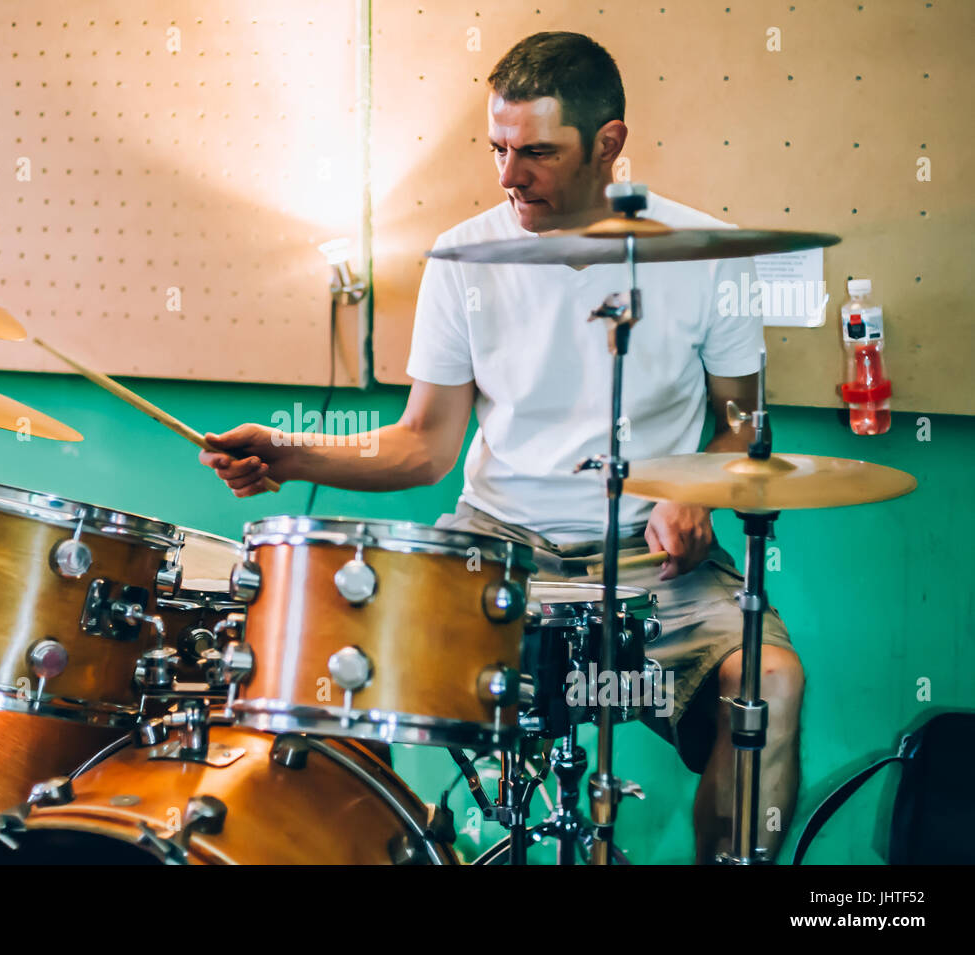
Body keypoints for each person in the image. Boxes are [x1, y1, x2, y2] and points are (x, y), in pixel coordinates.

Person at [198, 31, 803, 864]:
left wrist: (695, 489)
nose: (510, 176)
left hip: (650, 564)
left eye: (538, 153)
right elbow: (423, 446)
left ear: (610, 144)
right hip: (499, 551)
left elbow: (745, 424)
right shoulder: (464, 257)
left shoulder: (711, 256)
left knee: (769, 685)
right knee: (338, 662)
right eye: (499, 149)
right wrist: (286, 450)